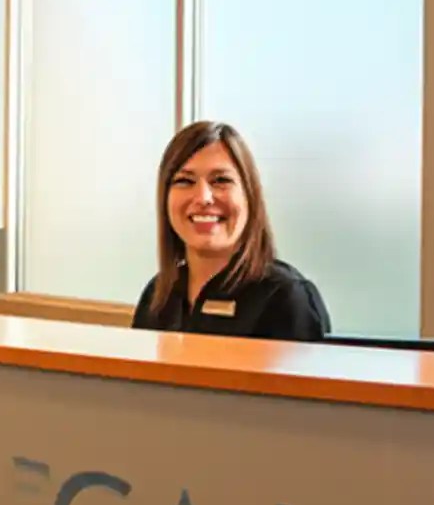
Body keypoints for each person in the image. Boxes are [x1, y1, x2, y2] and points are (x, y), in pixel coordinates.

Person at [131, 121, 331, 341]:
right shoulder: (158, 295)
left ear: (249, 196)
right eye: (185, 181)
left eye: (220, 180)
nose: (203, 198)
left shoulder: (286, 298)